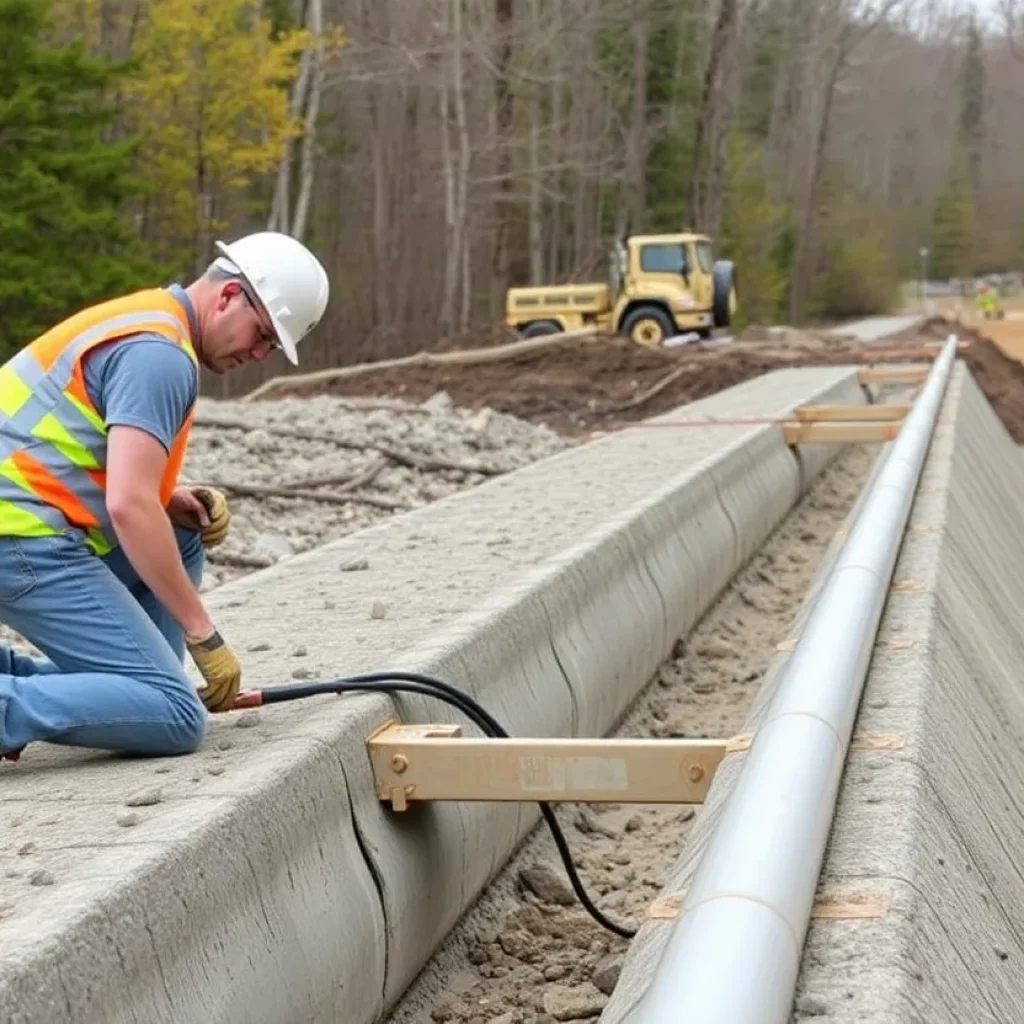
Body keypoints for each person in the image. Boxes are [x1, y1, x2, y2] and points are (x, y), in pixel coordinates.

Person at [0, 231, 329, 762]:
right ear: (228, 297)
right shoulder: (160, 356)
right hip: (17, 536)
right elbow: (129, 507)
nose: (259, 353)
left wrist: (169, 497)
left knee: (180, 535)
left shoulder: (152, 319)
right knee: (176, 717)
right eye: (263, 334)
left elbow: (82, 454)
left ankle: (105, 686)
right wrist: (204, 634)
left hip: (22, 518)